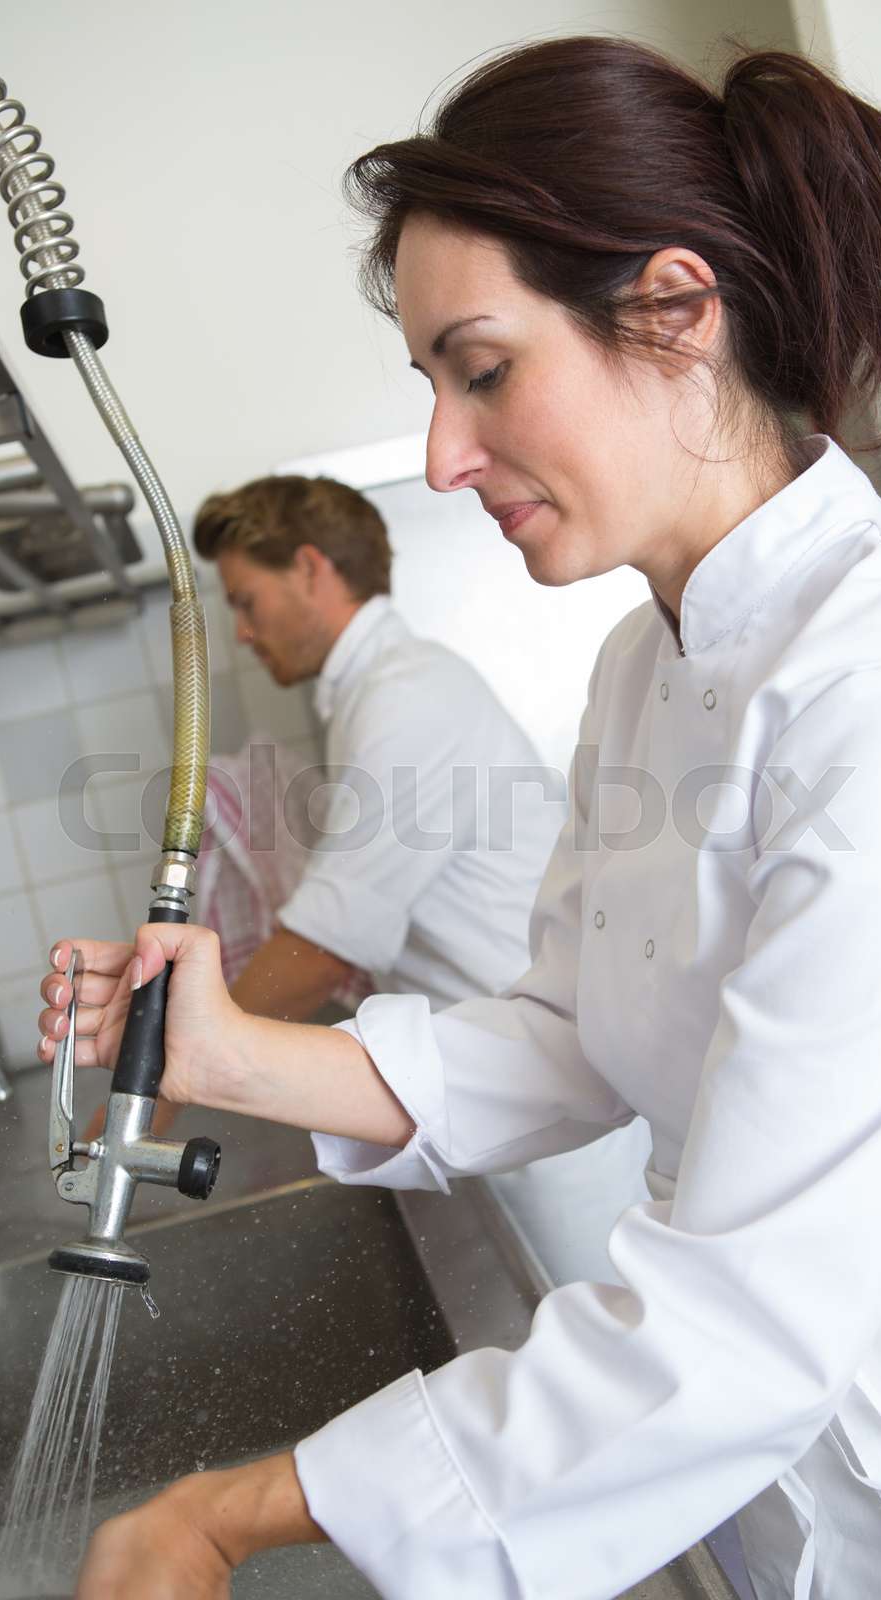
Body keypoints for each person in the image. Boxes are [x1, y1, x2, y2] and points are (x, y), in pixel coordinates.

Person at [37, 35, 881, 1600]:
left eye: (479, 370)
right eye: (429, 387)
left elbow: (745, 1323)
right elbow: (570, 1026)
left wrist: (233, 1508)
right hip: (768, 1474)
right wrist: (227, 1054)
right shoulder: (647, 652)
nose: (439, 454)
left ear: (673, 312)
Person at [198, 471, 653, 1284]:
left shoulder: (407, 696)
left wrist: (169, 1071)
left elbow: (326, 946)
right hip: (510, 1092)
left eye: (245, 600)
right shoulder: (378, 694)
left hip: (551, 1123)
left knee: (597, 1361)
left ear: (310, 568)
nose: (240, 632)